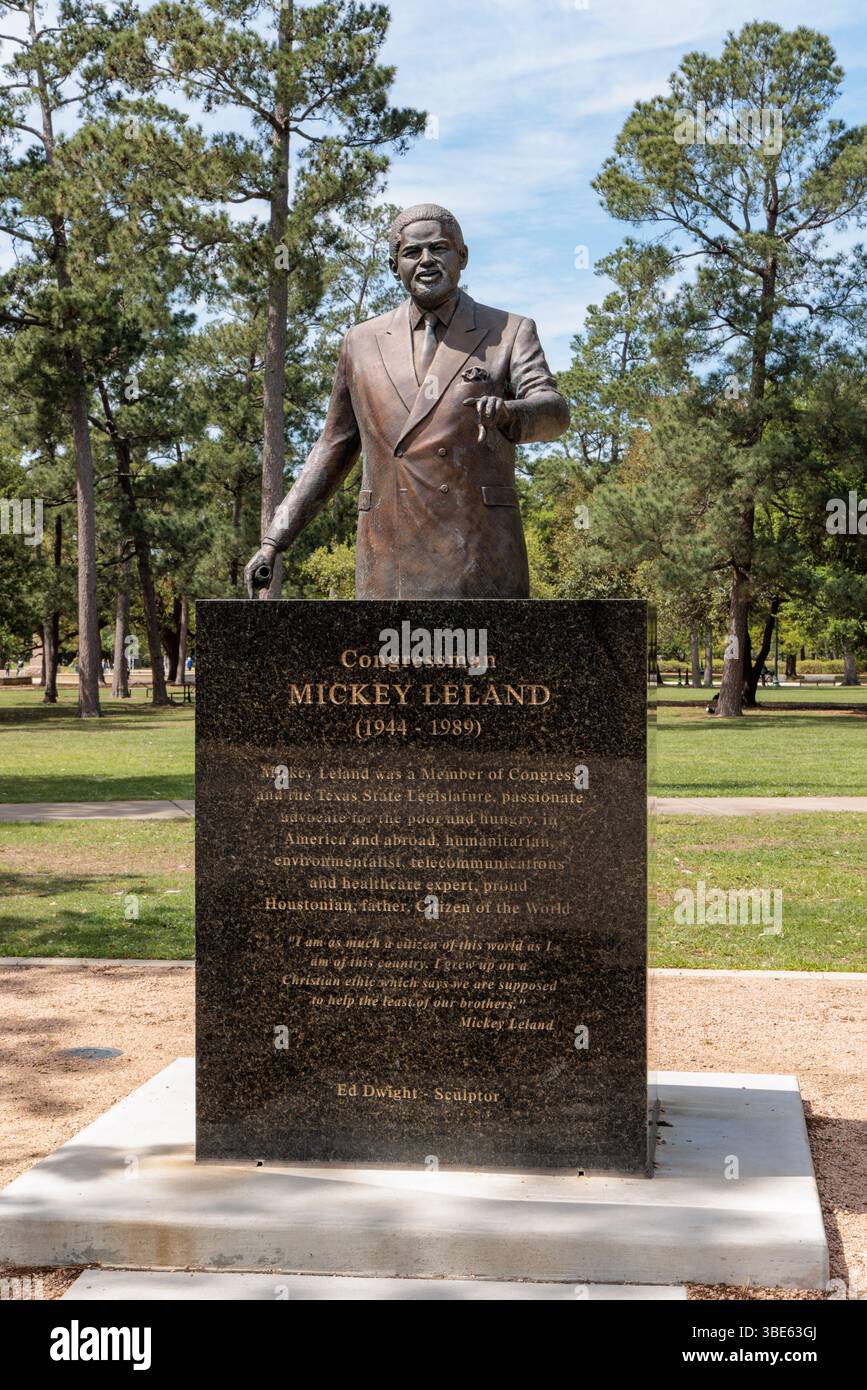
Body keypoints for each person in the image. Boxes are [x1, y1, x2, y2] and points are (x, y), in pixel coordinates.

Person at [245, 203, 570, 601]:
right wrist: (275, 540)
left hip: (481, 554)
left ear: (463, 257)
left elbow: (555, 412)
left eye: (440, 248)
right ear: (393, 264)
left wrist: (510, 413)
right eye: (412, 252)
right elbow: (333, 447)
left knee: (482, 663)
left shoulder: (508, 331)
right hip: (390, 557)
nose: (427, 261)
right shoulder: (360, 343)